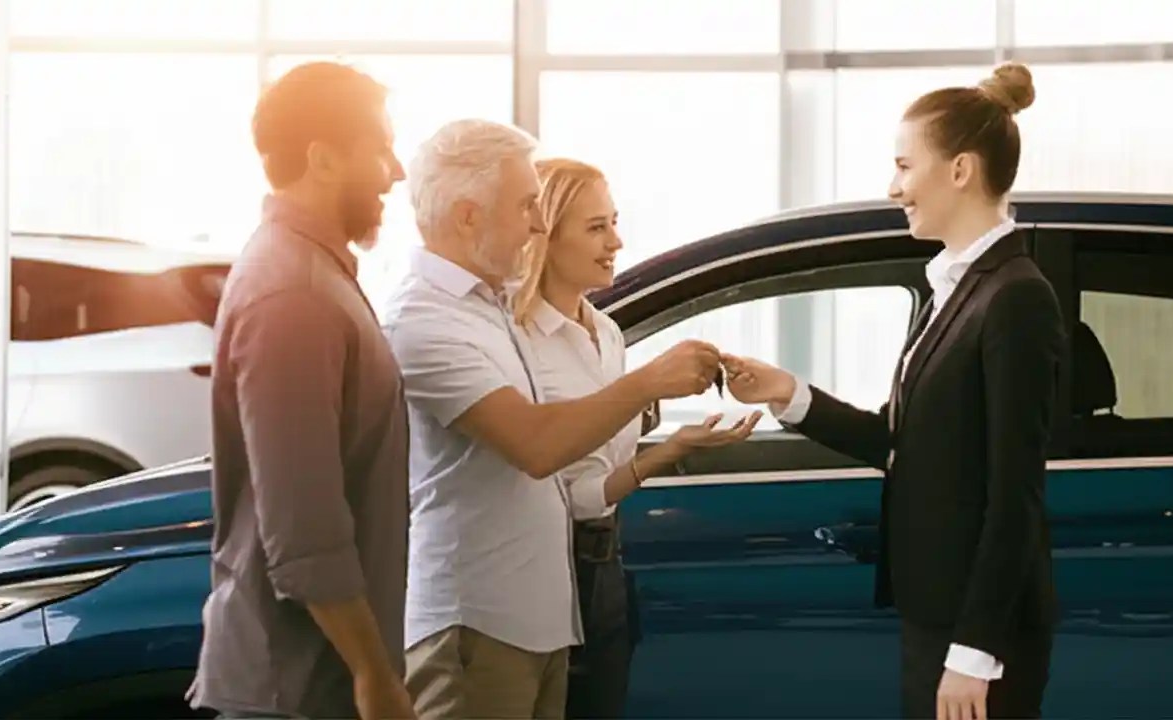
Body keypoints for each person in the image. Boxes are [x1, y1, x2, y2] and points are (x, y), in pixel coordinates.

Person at [722, 62, 1065, 720]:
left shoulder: (1014, 296)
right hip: (939, 615)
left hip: (977, 634)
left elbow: (1014, 493)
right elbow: (898, 440)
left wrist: (974, 652)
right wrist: (786, 392)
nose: (893, 187)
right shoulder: (955, 288)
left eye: (905, 167)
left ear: (960, 170)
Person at [384, 120, 724, 720]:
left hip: (535, 619)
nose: (536, 225)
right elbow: (537, 447)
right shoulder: (426, 323)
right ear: (468, 216)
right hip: (477, 623)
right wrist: (646, 384)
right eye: (525, 207)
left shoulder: (486, 309)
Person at [187, 61, 414, 720]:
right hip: (301, 687)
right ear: (322, 159)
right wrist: (374, 675)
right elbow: (303, 523)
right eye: (380, 149)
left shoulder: (314, 274)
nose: (395, 172)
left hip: (318, 678)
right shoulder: (293, 293)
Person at [512, 157, 762, 719]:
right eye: (596, 227)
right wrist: (649, 394)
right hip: (551, 567)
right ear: (545, 237)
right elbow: (567, 494)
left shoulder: (606, 333)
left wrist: (672, 444)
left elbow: (601, 462)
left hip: (606, 569)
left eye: (614, 222)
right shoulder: (516, 340)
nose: (616, 241)